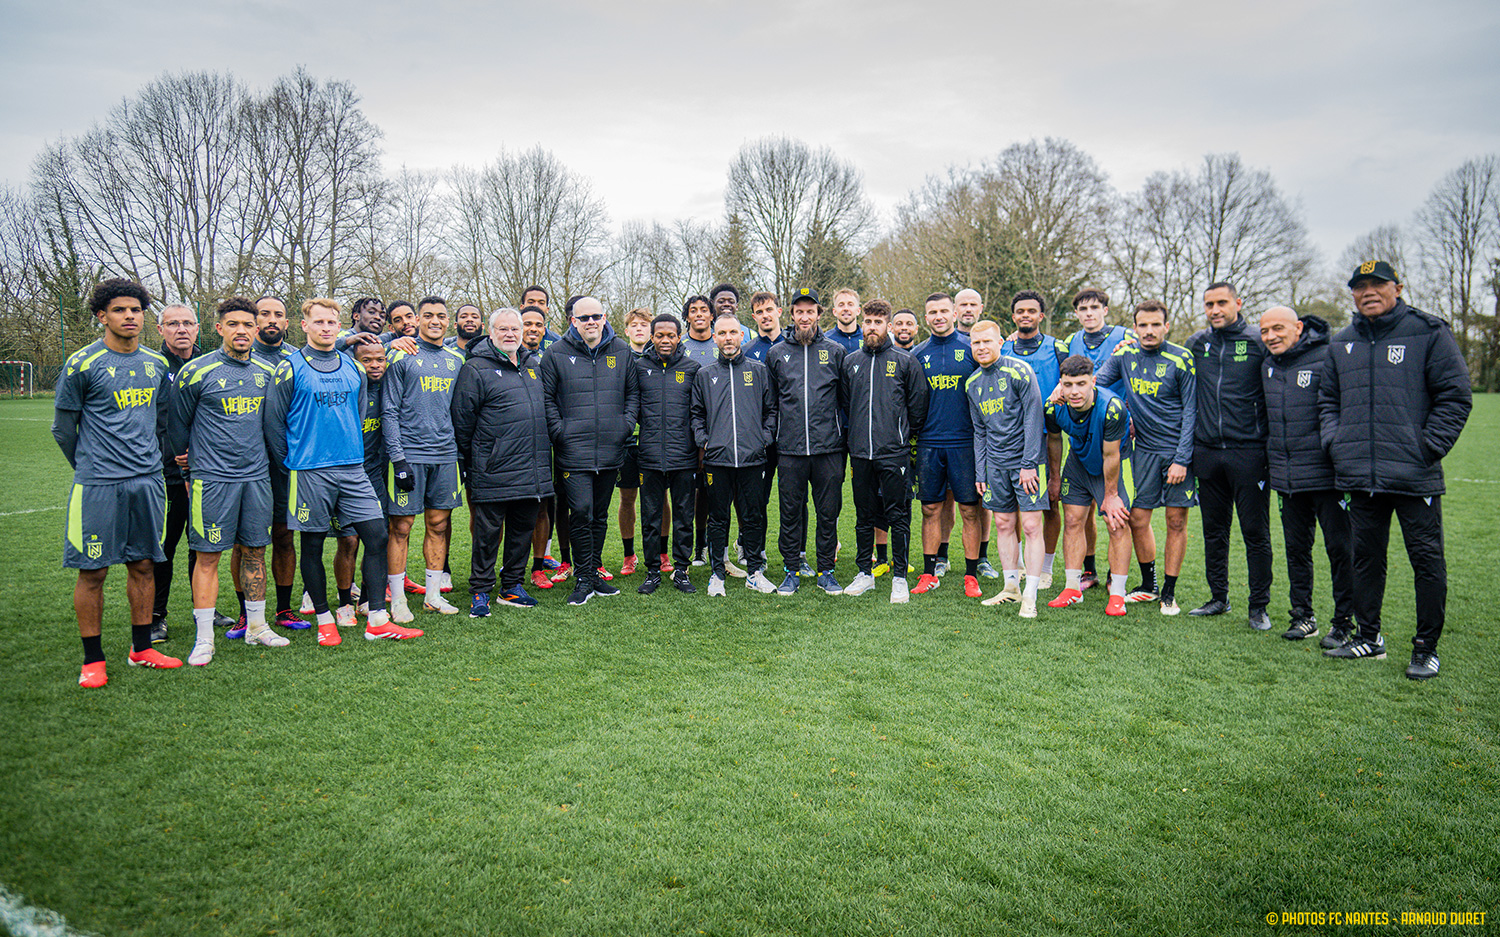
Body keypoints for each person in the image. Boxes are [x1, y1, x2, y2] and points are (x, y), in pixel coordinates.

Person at [1319, 261, 1472, 679]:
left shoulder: (1428, 332)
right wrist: (1337, 444)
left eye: (1377, 284)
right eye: (1359, 286)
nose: (1368, 291)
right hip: (1360, 477)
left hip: (1413, 475)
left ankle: (1425, 648)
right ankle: (1369, 638)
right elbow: (1327, 402)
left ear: (1397, 288)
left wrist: (1426, 448)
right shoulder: (1343, 341)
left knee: (1427, 562)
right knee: (1364, 559)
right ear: (1351, 294)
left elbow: (1456, 396)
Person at [264, 298, 416, 645]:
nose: (326, 328)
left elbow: (358, 414)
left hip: (352, 468)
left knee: (376, 536)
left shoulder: (355, 369)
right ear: (303, 326)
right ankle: (324, 619)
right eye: (318, 322)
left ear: (339, 326)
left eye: (331, 322)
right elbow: (274, 425)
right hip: (308, 471)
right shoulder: (290, 368)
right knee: (313, 545)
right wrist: (293, 464)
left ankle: (377, 618)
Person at [54, 278, 179, 686]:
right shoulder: (82, 363)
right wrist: (91, 466)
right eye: (120, 310)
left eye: (136, 310)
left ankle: (141, 649)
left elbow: (162, 421)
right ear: (101, 316)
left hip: (147, 481)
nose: (129, 316)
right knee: (93, 572)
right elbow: (63, 429)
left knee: (144, 565)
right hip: (98, 484)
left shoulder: (156, 365)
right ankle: (93, 659)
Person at [167, 297, 287, 664]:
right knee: (208, 557)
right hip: (212, 480)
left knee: (255, 552)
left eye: (247, 325)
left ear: (255, 329)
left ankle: (257, 627)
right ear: (218, 328)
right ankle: (204, 638)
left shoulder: (268, 373)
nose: (241, 331)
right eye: (233, 324)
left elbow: (275, 427)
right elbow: (177, 429)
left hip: (256, 478)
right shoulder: (197, 372)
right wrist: (190, 472)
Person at [1095, 300, 1197, 616]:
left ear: (1166, 326)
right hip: (1146, 452)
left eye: (1156, 325)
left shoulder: (1181, 359)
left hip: (1178, 453)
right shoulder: (1125, 354)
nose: (1149, 331)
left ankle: (1169, 592)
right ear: (1134, 327)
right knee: (1139, 518)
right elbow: (1096, 383)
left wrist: (1182, 458)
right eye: (1143, 325)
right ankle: (1149, 585)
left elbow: (1192, 411)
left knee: (1176, 520)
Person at [1259, 306, 1354, 643]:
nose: (1270, 336)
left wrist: (1336, 451)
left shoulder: (1329, 357)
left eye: (1278, 328)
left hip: (1329, 476)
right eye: (1265, 331)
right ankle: (1303, 616)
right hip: (1287, 477)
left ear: (1298, 327)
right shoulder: (1268, 365)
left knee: (1341, 550)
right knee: (1297, 549)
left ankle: (1344, 622)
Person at [452, 309, 553, 614]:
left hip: (532, 469)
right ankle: (480, 590)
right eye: (503, 329)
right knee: (487, 535)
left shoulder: (533, 366)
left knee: (522, 531)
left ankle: (510, 586)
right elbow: (462, 422)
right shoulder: (476, 369)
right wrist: (476, 461)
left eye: (515, 329)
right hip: (493, 469)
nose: (510, 334)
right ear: (491, 332)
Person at [541, 295, 640, 606]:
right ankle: (583, 576)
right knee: (580, 512)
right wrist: (560, 432)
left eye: (596, 316)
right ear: (573, 321)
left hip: (611, 449)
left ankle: (594, 571)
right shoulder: (556, 353)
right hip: (574, 450)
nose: (591, 322)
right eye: (584, 318)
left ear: (605, 317)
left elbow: (633, 393)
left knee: (599, 514)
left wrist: (624, 426)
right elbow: (546, 399)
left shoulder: (621, 350)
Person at [1186, 281, 1272, 628]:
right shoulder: (1197, 343)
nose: (1215, 310)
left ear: (1238, 302)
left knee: (1255, 531)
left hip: (1248, 452)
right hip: (1206, 452)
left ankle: (1258, 606)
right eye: (1209, 304)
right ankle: (1218, 598)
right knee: (1213, 530)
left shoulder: (1257, 341)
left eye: (1222, 302)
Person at [382, 296, 466, 621]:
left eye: (441, 316)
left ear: (448, 322)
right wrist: (398, 459)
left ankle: (433, 596)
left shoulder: (455, 359)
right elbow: (389, 411)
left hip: (445, 455)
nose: (435, 321)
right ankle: (398, 599)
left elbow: (457, 411)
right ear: (417, 319)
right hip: (409, 455)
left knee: (439, 524)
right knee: (401, 526)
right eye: (428, 315)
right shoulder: (402, 355)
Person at [840, 299, 928, 603]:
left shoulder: (905, 361)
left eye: (878, 322)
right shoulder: (851, 362)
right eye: (868, 322)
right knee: (864, 515)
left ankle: (900, 577)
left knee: (898, 515)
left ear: (888, 326)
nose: (872, 327)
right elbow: (845, 403)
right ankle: (865, 572)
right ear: (862, 324)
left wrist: (900, 435)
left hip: (894, 454)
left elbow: (918, 407)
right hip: (861, 455)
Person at [765, 287, 847, 595]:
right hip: (790, 449)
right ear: (792, 315)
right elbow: (771, 403)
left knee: (828, 512)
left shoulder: (836, 352)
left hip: (828, 449)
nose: (804, 317)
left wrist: (842, 439)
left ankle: (827, 570)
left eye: (809, 311)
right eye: (799, 311)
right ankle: (791, 570)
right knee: (790, 512)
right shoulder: (777, 354)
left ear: (818, 314)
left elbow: (845, 401)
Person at [692, 312, 777, 596]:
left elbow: (771, 411)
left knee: (753, 516)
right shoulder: (705, 375)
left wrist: (763, 439)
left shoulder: (758, 370)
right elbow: (696, 415)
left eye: (733, 332)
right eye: (722, 333)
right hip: (718, 460)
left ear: (742, 335)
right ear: (715, 338)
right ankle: (717, 574)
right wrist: (706, 441)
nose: (728, 338)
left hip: (753, 459)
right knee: (718, 518)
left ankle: (755, 571)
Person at [966, 321, 1047, 618]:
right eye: (976, 343)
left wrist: (1028, 464)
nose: (982, 347)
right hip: (995, 466)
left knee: (1030, 526)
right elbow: (980, 432)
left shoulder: (1019, 371)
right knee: (1003, 524)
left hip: (1027, 464)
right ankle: (1010, 587)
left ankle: (1031, 594)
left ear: (1001, 342)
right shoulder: (972, 383)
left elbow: (1034, 418)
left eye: (987, 341)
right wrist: (981, 472)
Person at [1044, 356, 1133, 616]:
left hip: (1108, 467)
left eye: (1081, 384)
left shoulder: (1112, 408)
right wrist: (1055, 478)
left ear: (1093, 382)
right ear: (1060, 384)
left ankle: (1117, 594)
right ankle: (1072, 588)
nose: (1074, 392)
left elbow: (1111, 455)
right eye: (1068, 384)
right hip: (1078, 464)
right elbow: (1054, 441)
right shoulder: (1053, 407)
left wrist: (1111, 494)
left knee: (1116, 522)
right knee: (1072, 520)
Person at [240, 295, 307, 635]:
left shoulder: (297, 358)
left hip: (283, 463)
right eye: (263, 314)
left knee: (283, 535)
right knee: (246, 542)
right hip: (246, 464)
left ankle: (284, 608)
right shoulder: (239, 355)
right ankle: (244, 612)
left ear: (287, 321)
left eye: (278, 315)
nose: (271, 320)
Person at [912, 292, 987, 598]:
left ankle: (971, 574)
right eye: (933, 312)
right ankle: (929, 572)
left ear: (954, 314)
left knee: (969, 510)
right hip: (929, 443)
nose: (939, 316)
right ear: (926, 317)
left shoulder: (972, 348)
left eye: (944, 310)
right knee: (930, 509)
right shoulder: (917, 354)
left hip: (965, 443)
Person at [151, 302, 210, 642]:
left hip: (206, 473)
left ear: (198, 328)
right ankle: (157, 615)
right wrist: (174, 457)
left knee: (201, 544)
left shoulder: (208, 364)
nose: (182, 329)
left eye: (188, 323)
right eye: (173, 324)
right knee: (165, 546)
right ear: (160, 330)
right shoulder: (155, 366)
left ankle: (203, 607)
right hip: (169, 474)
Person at [1001, 290, 1067, 589]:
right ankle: (1016, 566)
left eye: (1031, 311)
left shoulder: (1057, 348)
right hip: (1012, 440)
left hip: (1048, 437)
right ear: (1013, 316)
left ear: (1041, 315)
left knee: (1051, 499)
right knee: (1015, 506)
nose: (1025, 315)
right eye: (1020, 311)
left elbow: (1074, 377)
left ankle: (1046, 568)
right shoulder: (1003, 347)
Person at [634, 313, 701, 594]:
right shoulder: (638, 368)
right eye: (659, 335)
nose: (665, 340)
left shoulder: (692, 368)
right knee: (651, 516)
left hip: (683, 456)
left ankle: (682, 570)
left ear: (679, 336)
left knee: (684, 515)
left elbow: (699, 411)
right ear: (652, 337)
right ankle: (652, 571)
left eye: (670, 335)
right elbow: (632, 407)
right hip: (649, 455)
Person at [329, 339, 389, 624]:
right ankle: (343, 603)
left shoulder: (390, 388)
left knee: (377, 538)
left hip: (374, 475)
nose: (374, 365)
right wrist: (349, 339)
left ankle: (367, 600)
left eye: (380, 359)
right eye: (367, 360)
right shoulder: (347, 388)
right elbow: (330, 350)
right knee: (349, 541)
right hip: (344, 475)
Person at [520, 303, 565, 586]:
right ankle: (509, 568)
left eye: (538, 324)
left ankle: (538, 566)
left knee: (543, 506)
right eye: (527, 324)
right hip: (515, 445)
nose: (533, 329)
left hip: (546, 444)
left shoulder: (549, 359)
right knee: (512, 509)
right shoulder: (506, 357)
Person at [614, 307, 653, 577]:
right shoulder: (617, 358)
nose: (639, 328)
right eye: (634, 325)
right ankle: (629, 555)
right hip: (625, 441)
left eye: (644, 325)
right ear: (626, 330)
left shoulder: (660, 356)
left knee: (658, 497)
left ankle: (661, 553)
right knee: (627, 498)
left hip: (654, 440)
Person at [744, 292, 787, 362]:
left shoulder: (794, 346)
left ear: (779, 312)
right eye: (759, 312)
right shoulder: (746, 352)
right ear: (754, 317)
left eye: (769, 310)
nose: (765, 316)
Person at [680, 294, 718, 365]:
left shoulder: (720, 343)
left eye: (704, 310)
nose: (699, 314)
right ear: (687, 317)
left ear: (711, 316)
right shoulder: (679, 345)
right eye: (693, 311)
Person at [826, 288, 863, 354]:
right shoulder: (826, 340)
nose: (846, 308)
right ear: (834, 312)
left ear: (858, 311)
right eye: (841, 305)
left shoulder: (867, 340)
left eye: (850, 304)